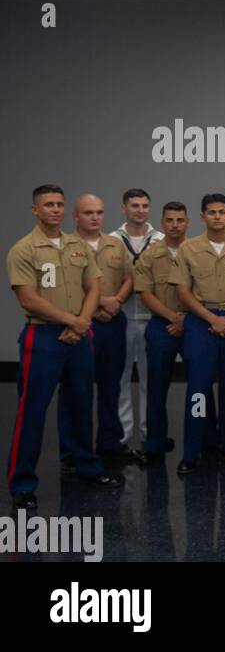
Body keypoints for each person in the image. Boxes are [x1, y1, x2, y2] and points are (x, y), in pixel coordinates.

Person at [7, 185, 121, 510]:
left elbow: (94, 285)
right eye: (48, 205)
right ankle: (22, 483)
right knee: (32, 411)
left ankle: (87, 466)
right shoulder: (24, 249)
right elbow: (28, 298)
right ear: (35, 210)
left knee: (82, 404)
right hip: (43, 337)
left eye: (59, 204)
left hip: (80, 334)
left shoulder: (78, 246)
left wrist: (82, 321)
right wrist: (73, 322)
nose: (55, 209)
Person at [170, 194, 225, 474]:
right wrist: (212, 319)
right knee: (198, 389)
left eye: (222, 212)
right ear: (202, 216)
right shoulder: (189, 249)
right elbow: (183, 291)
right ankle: (193, 450)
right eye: (211, 212)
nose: (217, 216)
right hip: (201, 322)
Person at [63, 194, 138, 461]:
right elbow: (65, 289)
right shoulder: (65, 246)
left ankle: (110, 443)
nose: (95, 217)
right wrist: (98, 305)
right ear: (75, 216)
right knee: (76, 389)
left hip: (114, 324)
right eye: (88, 213)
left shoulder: (115, 245)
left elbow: (129, 278)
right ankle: (72, 452)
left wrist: (117, 301)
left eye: (99, 212)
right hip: (81, 324)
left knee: (111, 386)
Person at [108, 188, 165, 454]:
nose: (140, 210)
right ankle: (121, 436)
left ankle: (148, 434)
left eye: (144, 205)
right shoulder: (111, 240)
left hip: (152, 318)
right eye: (134, 205)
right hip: (120, 317)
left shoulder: (161, 240)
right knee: (119, 378)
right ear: (124, 208)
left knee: (150, 379)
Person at [132, 201, 190, 462]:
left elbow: (206, 291)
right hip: (161, 325)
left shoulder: (198, 251)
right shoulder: (150, 255)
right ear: (162, 222)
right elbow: (144, 292)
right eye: (170, 220)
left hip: (194, 325)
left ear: (187, 222)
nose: (175, 225)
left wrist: (185, 319)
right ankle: (155, 442)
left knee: (199, 387)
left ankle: (203, 439)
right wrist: (173, 317)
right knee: (156, 387)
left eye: (180, 220)